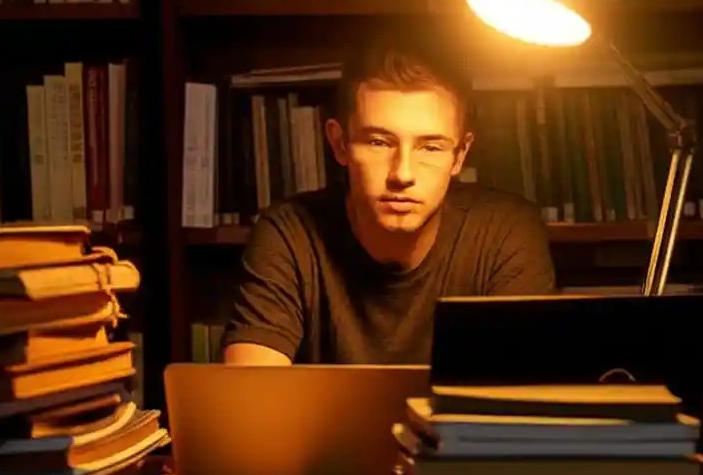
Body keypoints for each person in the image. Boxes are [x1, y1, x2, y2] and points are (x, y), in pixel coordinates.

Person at [220, 36, 557, 366]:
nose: (402, 174)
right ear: (339, 144)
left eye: (431, 147)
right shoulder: (290, 233)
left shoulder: (505, 232)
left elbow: (524, 391)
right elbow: (251, 390)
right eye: (379, 142)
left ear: (460, 155)